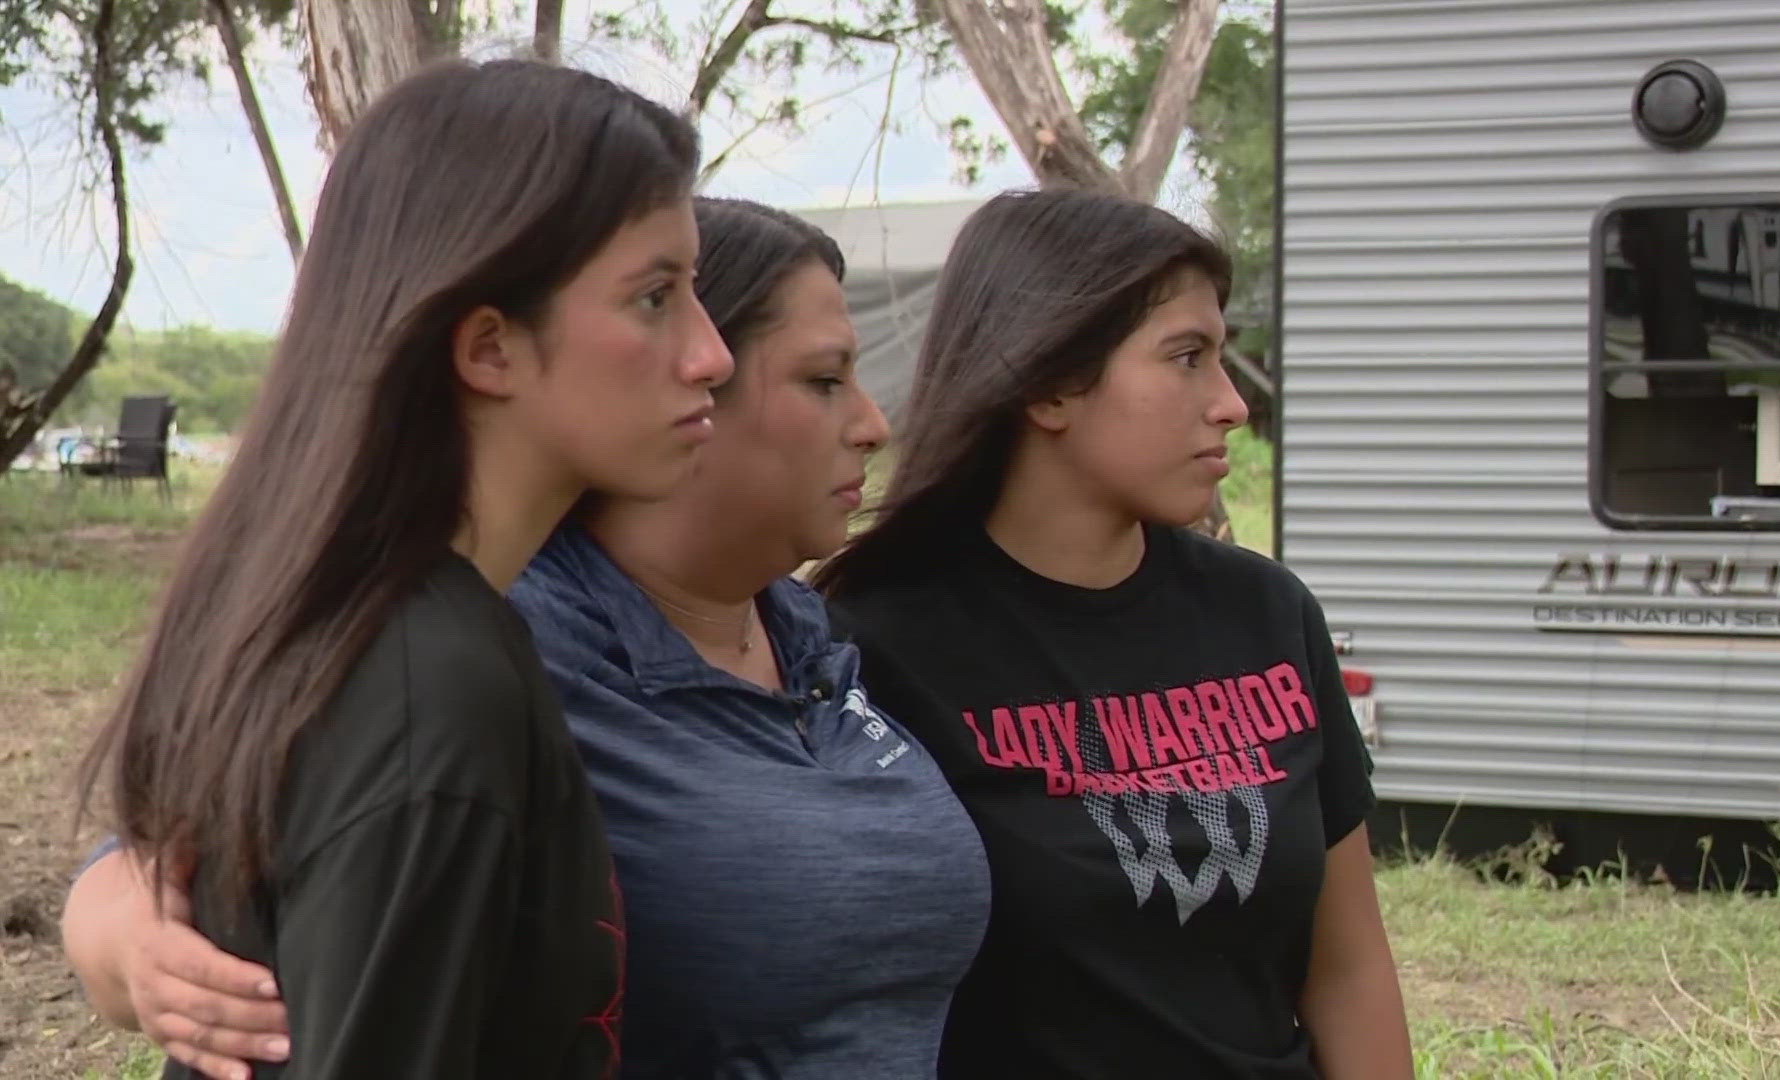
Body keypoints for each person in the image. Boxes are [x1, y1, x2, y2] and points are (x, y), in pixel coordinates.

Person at [62, 197, 990, 1079]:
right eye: (824, 381)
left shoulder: (807, 631)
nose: (872, 425)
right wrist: (128, 933)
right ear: (695, 384)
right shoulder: (500, 646)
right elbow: (204, 841)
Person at [64, 58, 729, 1080]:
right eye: (654, 298)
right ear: (490, 349)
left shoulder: (365, 623)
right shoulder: (427, 688)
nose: (711, 354)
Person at [814, 187, 1413, 1078]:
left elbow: (1349, 969)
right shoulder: (874, 642)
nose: (1231, 405)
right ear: (1051, 383)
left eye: (1223, 359)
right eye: (1186, 358)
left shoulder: (1267, 613)